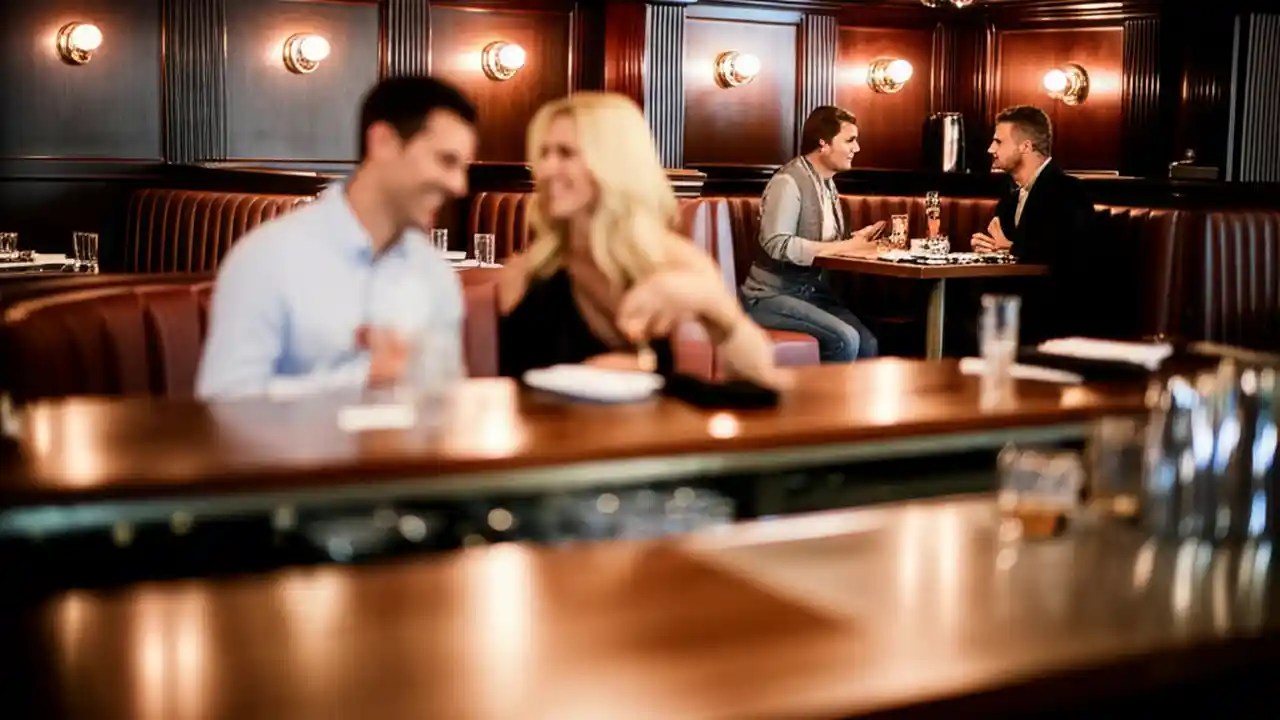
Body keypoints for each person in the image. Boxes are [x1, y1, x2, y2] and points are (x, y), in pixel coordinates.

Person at [196, 76, 477, 399]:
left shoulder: (434, 272)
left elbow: (448, 395)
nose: (459, 186)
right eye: (446, 161)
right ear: (383, 142)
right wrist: (364, 378)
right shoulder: (266, 258)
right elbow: (223, 401)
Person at [496, 92, 781, 389]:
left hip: (654, 433)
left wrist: (710, 302)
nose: (546, 169)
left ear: (614, 163)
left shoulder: (673, 261)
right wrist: (588, 378)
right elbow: (510, 398)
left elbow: (761, 376)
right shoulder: (525, 275)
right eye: (543, 154)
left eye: (566, 153)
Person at [739, 106, 885, 362]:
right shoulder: (788, 182)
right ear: (824, 144)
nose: (857, 148)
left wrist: (856, 240)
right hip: (770, 295)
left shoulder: (827, 183)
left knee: (867, 342)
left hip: (812, 292)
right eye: (850, 140)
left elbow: (824, 241)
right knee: (846, 339)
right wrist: (847, 247)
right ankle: (820, 402)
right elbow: (777, 244)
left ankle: (851, 403)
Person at [970, 105, 1094, 340]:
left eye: (998, 142)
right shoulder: (1010, 194)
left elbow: (1069, 253)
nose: (990, 149)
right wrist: (988, 248)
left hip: (1053, 312)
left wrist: (1008, 247)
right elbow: (1003, 245)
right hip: (1013, 303)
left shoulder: (1067, 190)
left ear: (1025, 146)